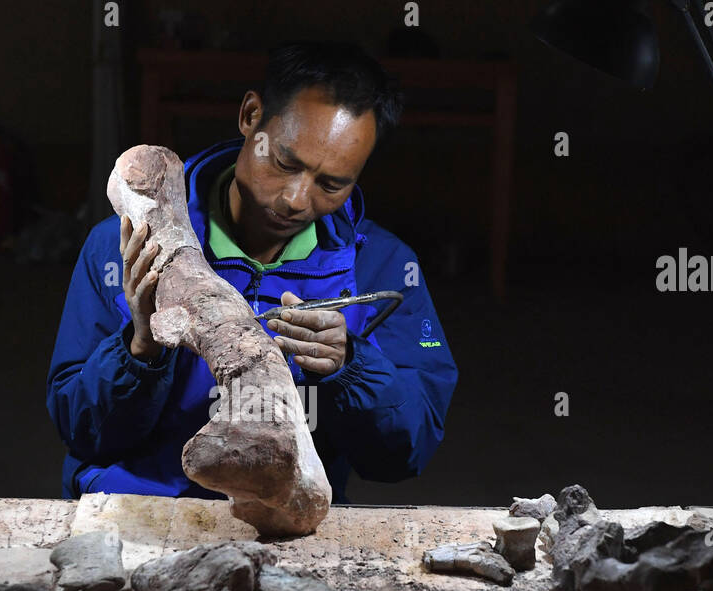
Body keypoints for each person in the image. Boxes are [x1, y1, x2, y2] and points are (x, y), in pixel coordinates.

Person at [48, 41, 458, 503]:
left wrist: (349, 367)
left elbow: (404, 455)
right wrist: (139, 350)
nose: (296, 200)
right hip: (137, 504)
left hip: (279, 519)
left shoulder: (383, 267)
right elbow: (80, 430)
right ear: (250, 116)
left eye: (331, 184)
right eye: (285, 163)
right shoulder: (124, 246)